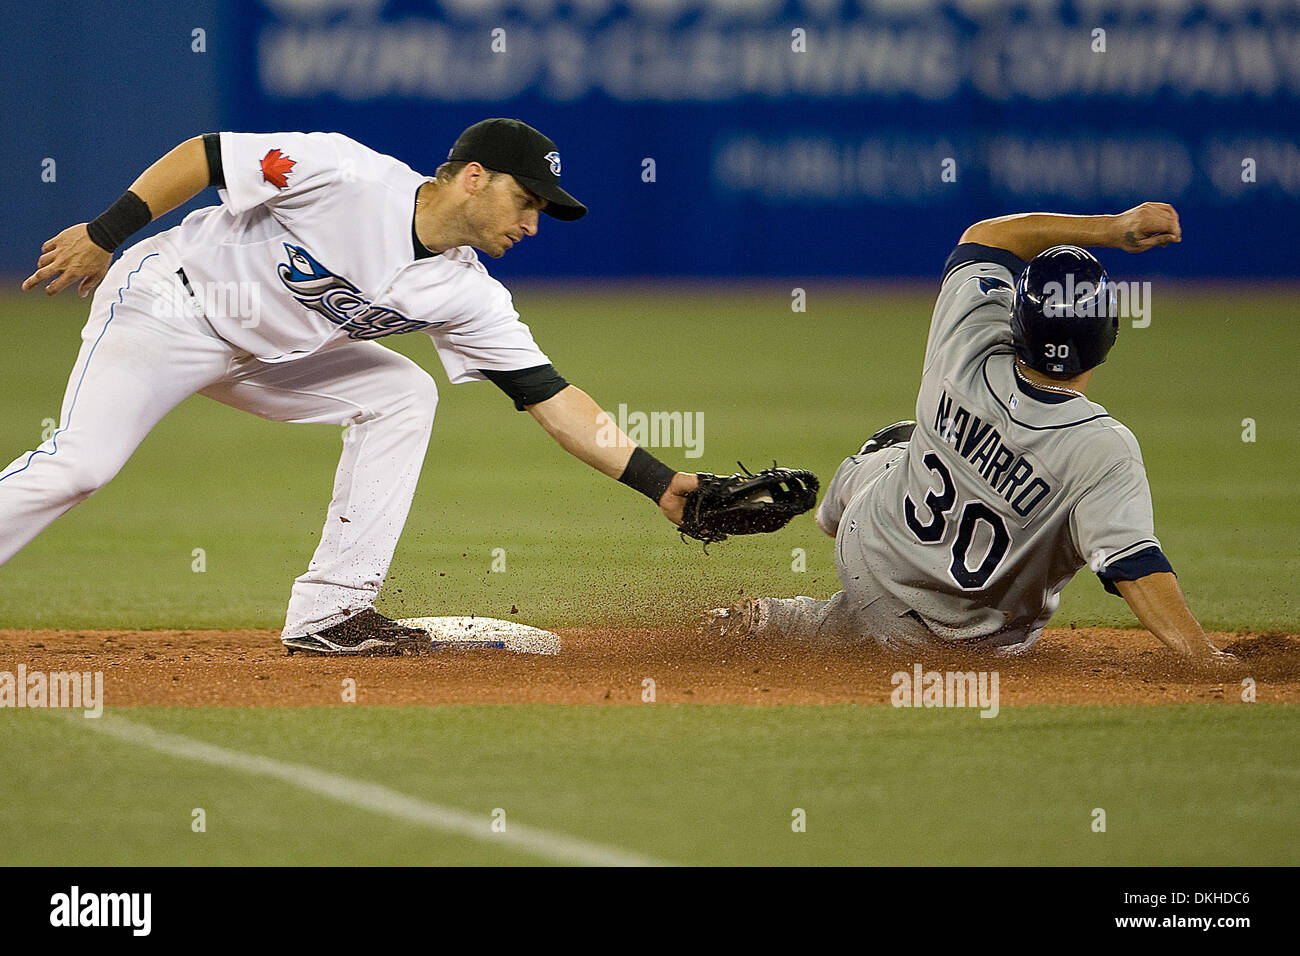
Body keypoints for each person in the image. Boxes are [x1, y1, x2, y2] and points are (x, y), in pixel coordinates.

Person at [6, 118, 697, 655]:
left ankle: (330, 612)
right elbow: (207, 155)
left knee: (401, 393)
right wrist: (104, 233)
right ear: (474, 178)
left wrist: (661, 484)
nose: (531, 222)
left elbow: (553, 399)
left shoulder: (468, 294)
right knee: (82, 465)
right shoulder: (346, 174)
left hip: (268, 358)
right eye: (527, 200)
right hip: (171, 306)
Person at [707, 203, 1231, 662]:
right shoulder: (1103, 449)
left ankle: (792, 593)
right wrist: (1205, 657)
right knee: (1029, 526)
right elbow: (1135, 567)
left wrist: (1115, 228)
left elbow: (989, 237)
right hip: (967, 643)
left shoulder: (972, 331)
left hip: (867, 559)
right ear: (1106, 338)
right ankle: (819, 618)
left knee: (894, 444)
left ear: (1017, 320)